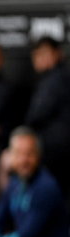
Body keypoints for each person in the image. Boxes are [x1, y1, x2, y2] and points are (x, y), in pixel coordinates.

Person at [24, 36, 70, 199]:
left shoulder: (56, 79)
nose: (39, 58)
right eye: (36, 54)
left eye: (44, 53)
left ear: (58, 54)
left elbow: (35, 115)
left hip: (56, 152)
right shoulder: (50, 79)